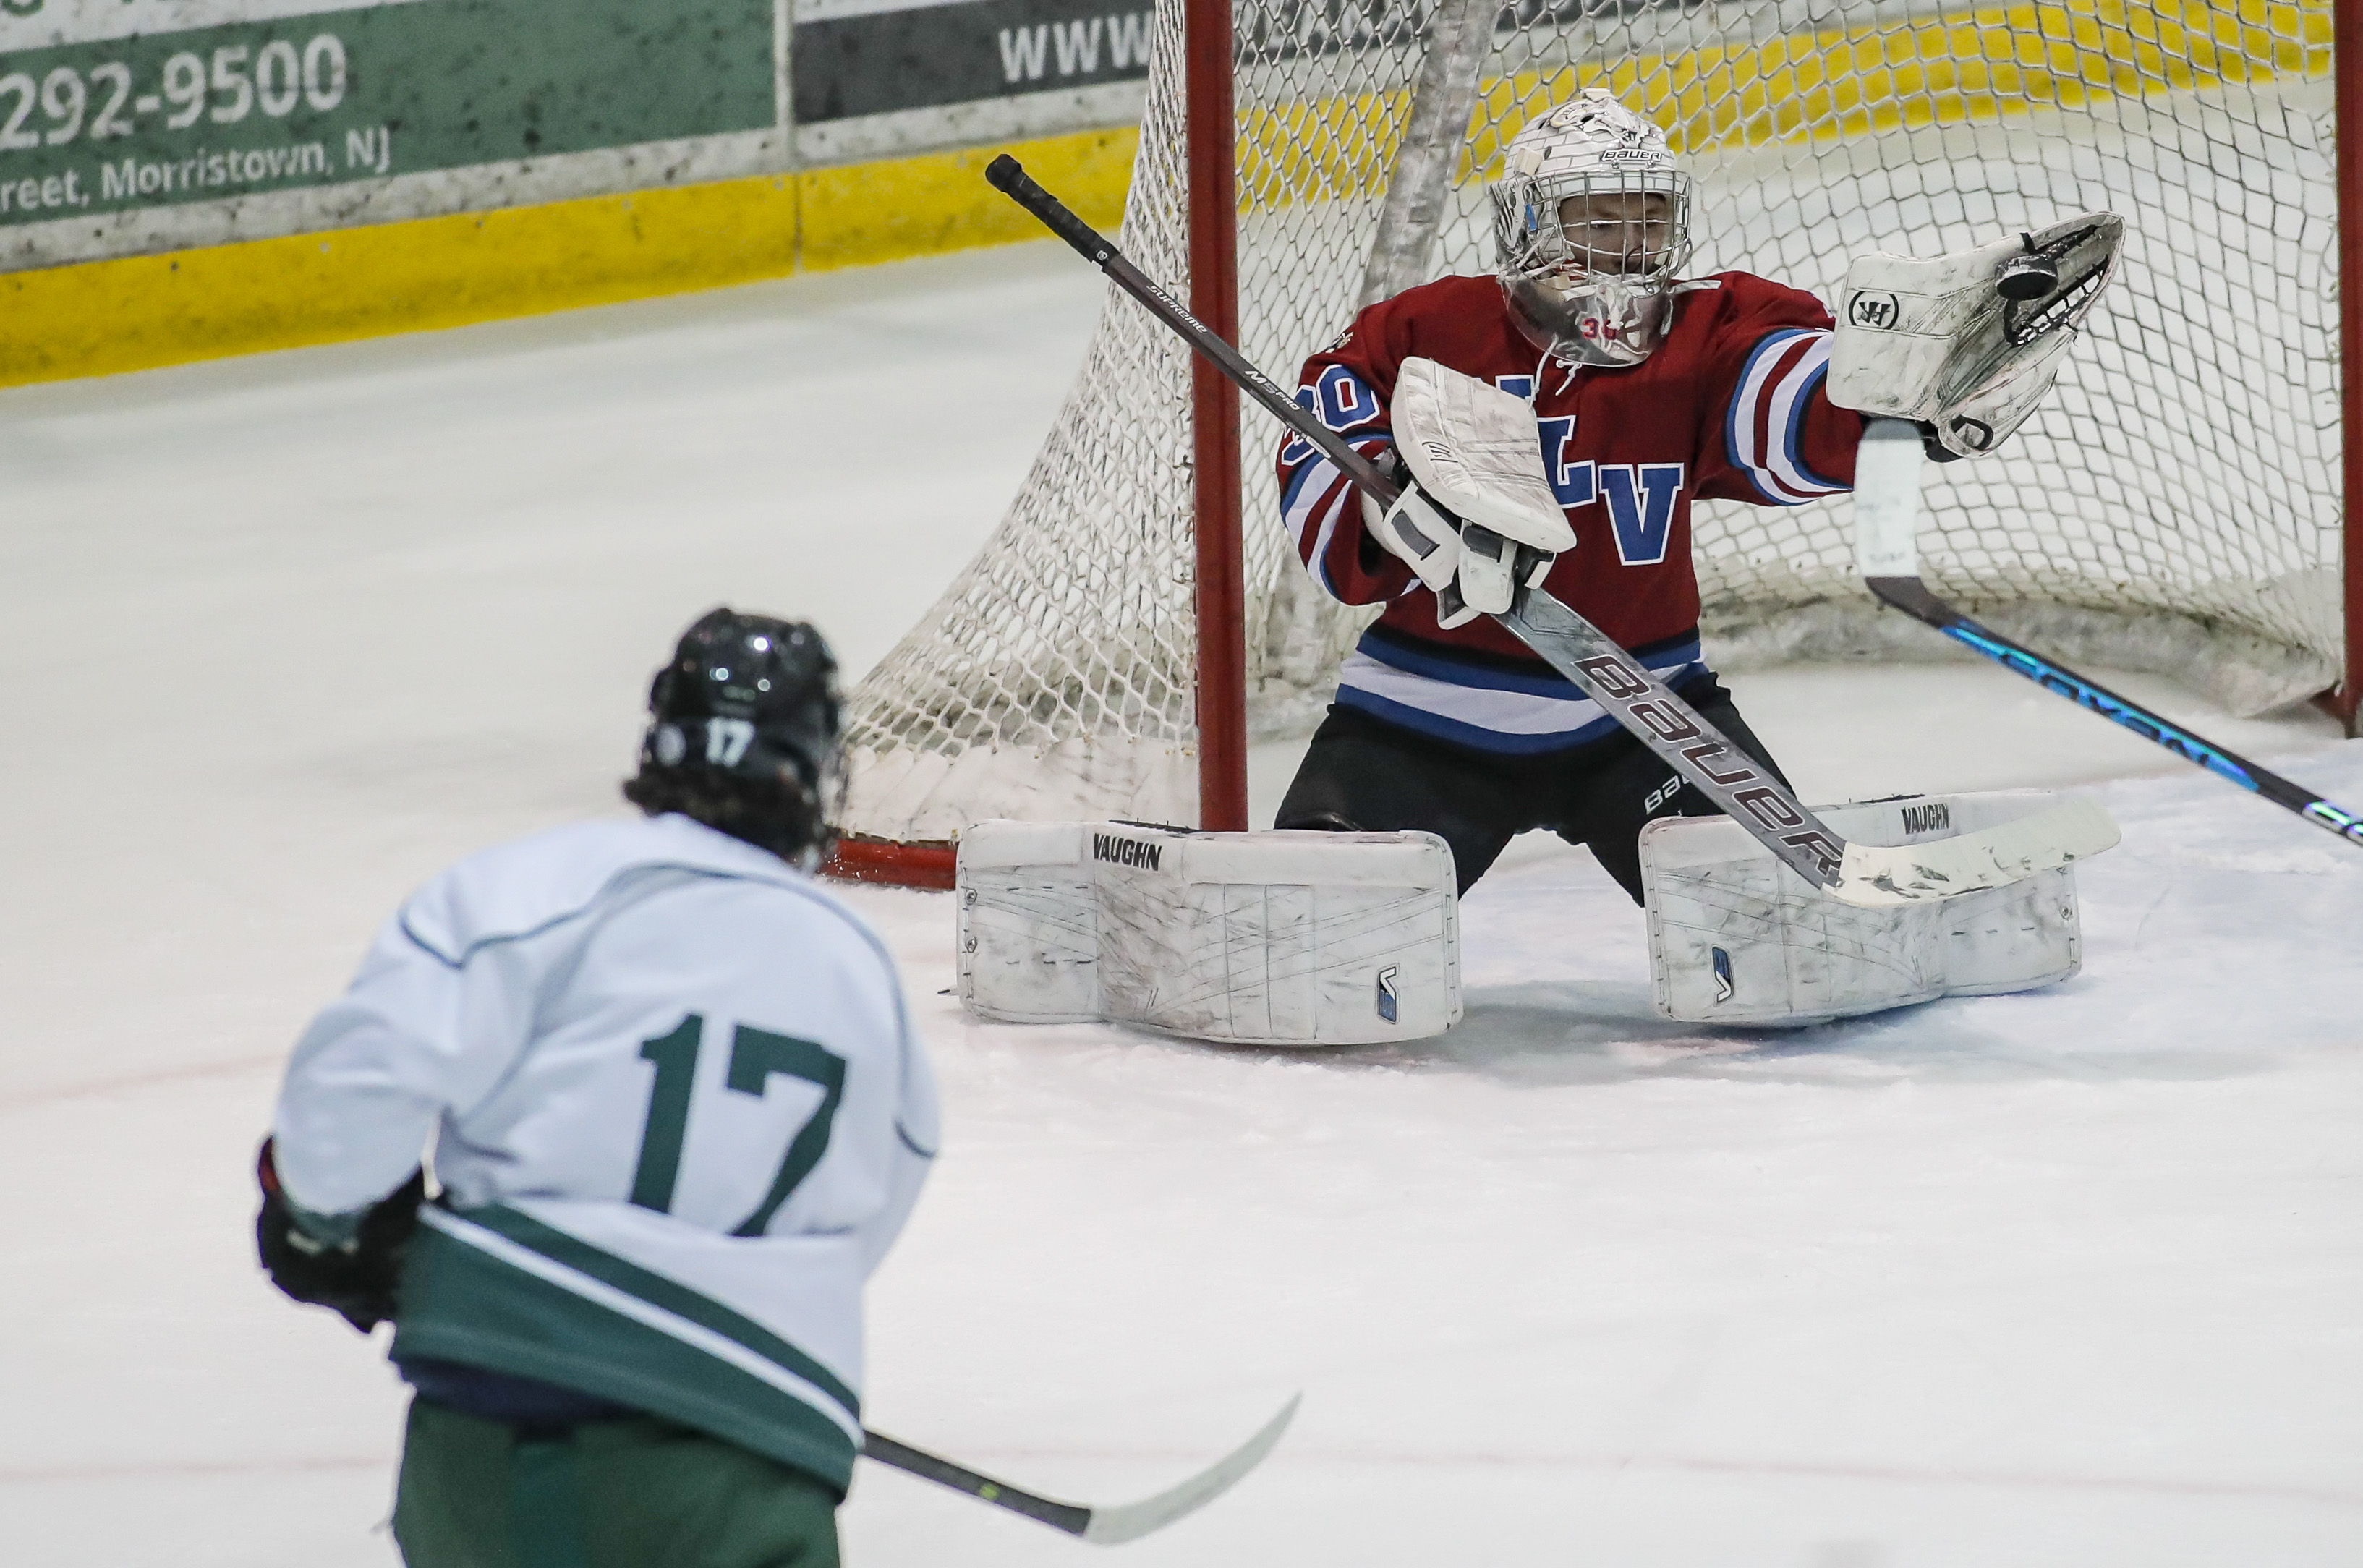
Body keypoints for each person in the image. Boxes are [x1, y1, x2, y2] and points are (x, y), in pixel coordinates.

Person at [255, 608, 938, 1568]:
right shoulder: (857, 968)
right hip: (742, 1449)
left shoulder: (525, 889)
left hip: (502, 1425)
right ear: (813, 773)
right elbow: (875, 1197)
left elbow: (357, 1087)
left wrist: (331, 1227)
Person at [1273, 88, 1857, 899]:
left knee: (1784, 926)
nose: (1628, 249)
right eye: (1599, 221)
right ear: (1530, 227)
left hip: (1650, 717)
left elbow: (1788, 404)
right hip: (1424, 719)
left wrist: (1885, 396)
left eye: (1648, 220)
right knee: (1311, 934)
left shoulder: (1707, 328)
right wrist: (1393, 508)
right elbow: (1327, 428)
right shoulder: (1430, 331)